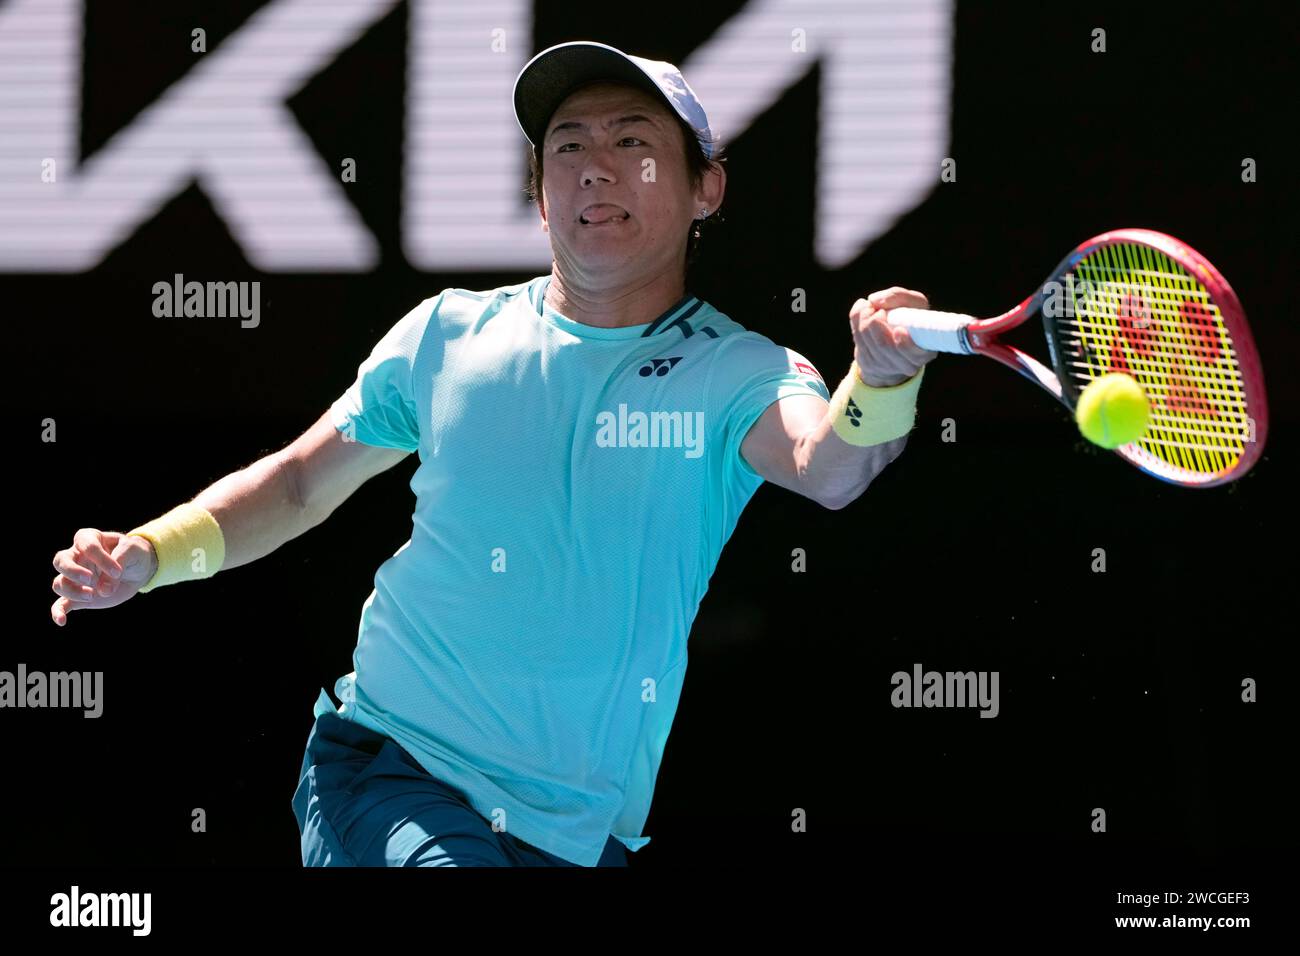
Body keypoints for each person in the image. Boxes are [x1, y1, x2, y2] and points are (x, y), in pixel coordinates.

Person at [47, 41, 937, 867]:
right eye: (566, 146)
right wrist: (154, 552)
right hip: (391, 772)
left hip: (577, 834)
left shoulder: (738, 371)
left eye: (634, 142)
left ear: (707, 188)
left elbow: (832, 466)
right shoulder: (445, 335)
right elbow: (296, 486)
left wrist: (883, 377)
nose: (595, 165)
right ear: (540, 191)